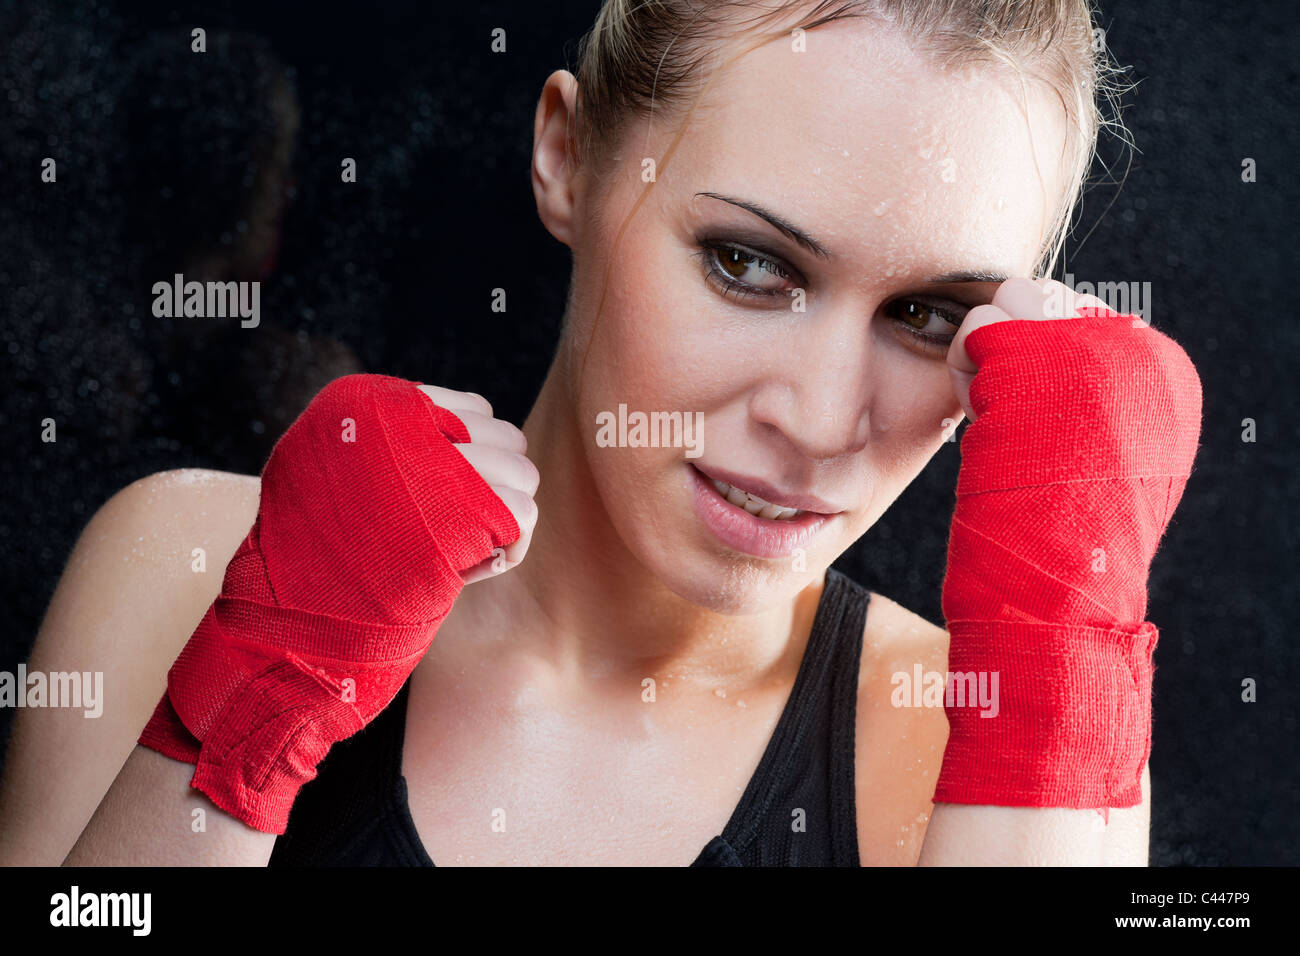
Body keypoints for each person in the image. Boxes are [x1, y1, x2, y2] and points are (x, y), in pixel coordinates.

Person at [0, 0, 1201, 866]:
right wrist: (243, 711)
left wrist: (1066, 653)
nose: (821, 418)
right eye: (746, 262)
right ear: (567, 155)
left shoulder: (983, 724)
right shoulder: (187, 562)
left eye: (928, 314)